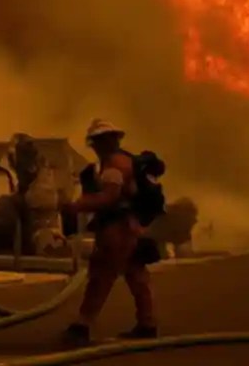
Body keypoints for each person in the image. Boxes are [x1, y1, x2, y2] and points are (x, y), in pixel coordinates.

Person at [61, 119, 157, 347]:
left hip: (117, 230)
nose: (95, 146)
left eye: (97, 141)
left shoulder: (114, 166)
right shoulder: (124, 161)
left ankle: (82, 325)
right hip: (130, 228)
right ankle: (147, 324)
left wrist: (78, 205)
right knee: (136, 276)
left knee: (101, 276)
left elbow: (109, 197)